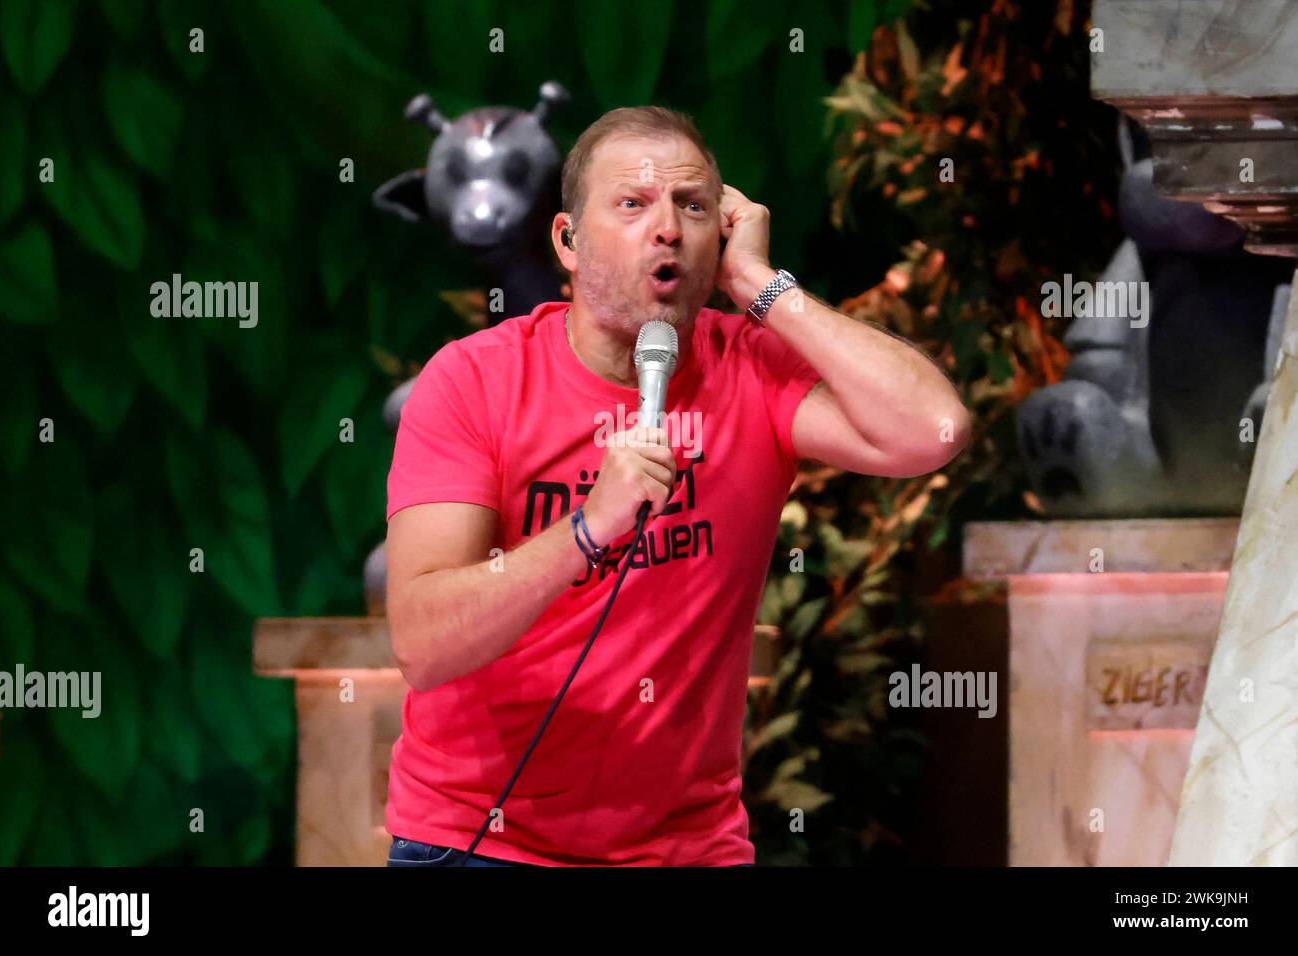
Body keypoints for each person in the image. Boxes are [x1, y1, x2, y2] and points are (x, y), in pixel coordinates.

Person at [382, 106, 971, 867]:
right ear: (565, 240)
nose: (668, 229)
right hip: (480, 841)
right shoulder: (475, 381)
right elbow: (423, 644)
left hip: (685, 849)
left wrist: (760, 284)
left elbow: (935, 428)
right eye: (633, 204)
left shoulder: (747, 369)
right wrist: (586, 530)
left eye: (693, 207)